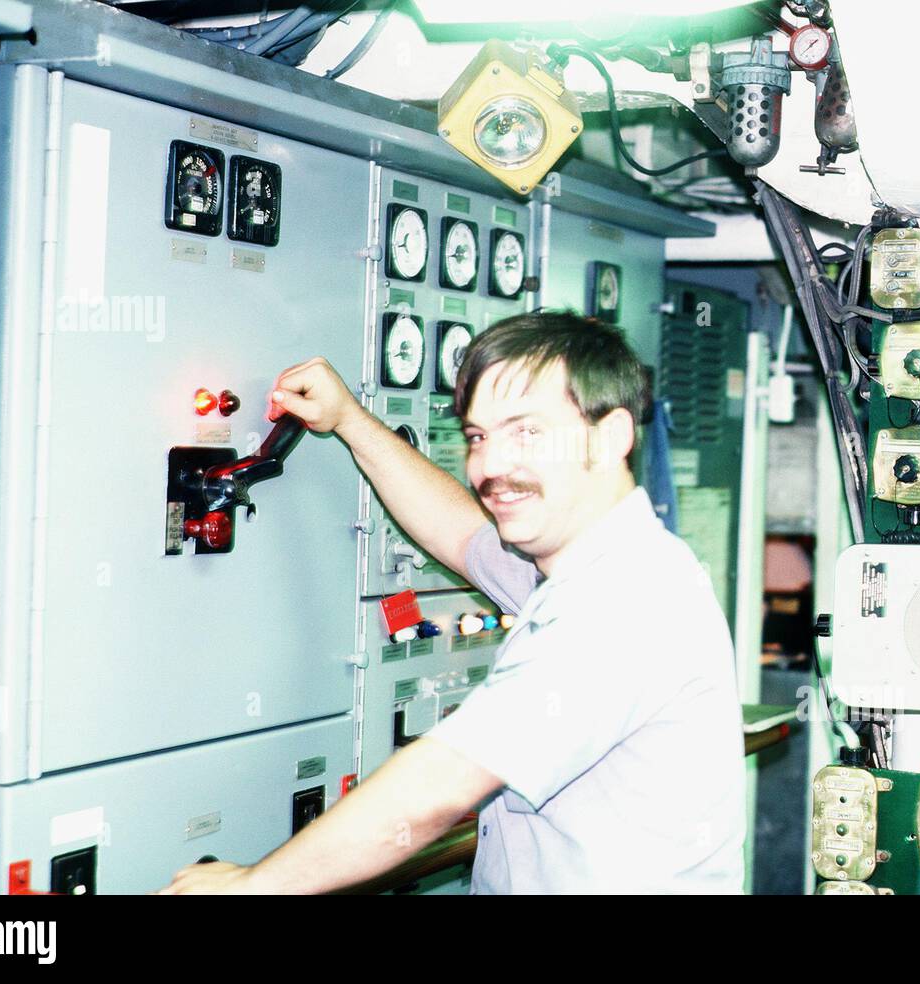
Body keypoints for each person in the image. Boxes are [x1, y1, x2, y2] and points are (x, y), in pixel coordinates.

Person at [159, 311, 746, 894]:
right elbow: (464, 536)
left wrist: (255, 887)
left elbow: (444, 780)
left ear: (611, 436)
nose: (490, 466)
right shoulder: (590, 565)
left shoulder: (626, 602)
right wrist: (349, 422)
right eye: (478, 436)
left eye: (526, 432)